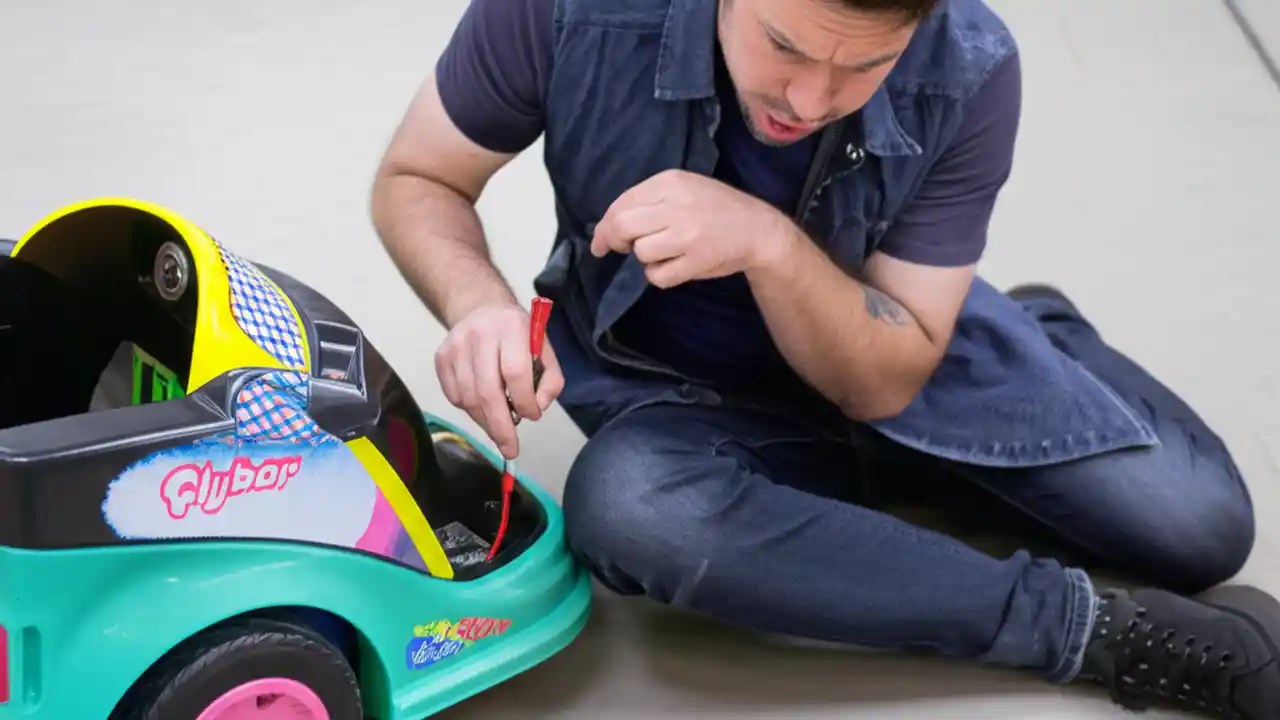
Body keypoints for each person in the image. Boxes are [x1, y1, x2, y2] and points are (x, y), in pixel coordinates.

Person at [370, 0, 1280, 716]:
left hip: (893, 353)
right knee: (632, 510)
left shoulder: (971, 60)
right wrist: (478, 306)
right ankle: (1092, 632)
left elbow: (880, 382)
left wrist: (765, 241)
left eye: (863, 66)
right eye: (784, 45)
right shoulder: (569, 7)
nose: (806, 101)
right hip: (679, 398)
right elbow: (419, 176)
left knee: (1203, 530)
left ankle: (1039, 335)